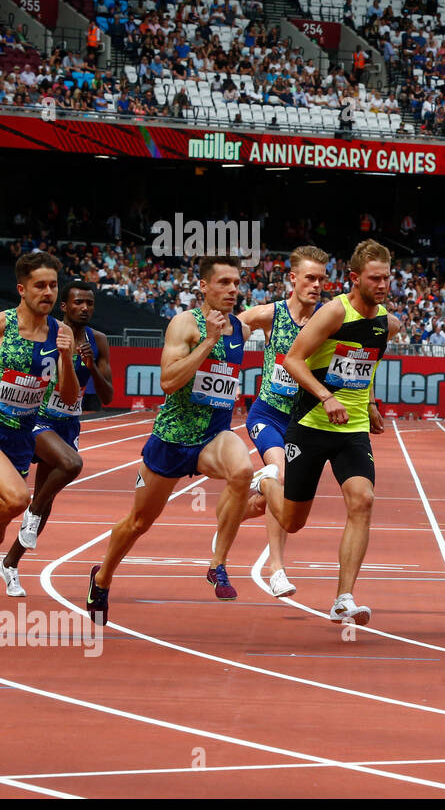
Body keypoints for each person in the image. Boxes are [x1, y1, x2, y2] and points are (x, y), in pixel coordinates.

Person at [87, 256, 257, 623]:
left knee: (243, 470)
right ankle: (101, 578)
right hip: (172, 439)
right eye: (224, 282)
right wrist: (209, 341)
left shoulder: (241, 329)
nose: (232, 290)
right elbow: (168, 381)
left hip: (214, 435)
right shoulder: (185, 325)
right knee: (138, 522)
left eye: (236, 283)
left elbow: (283, 313)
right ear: (204, 287)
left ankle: (218, 564)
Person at [252, 239, 400, 626]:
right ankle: (268, 481)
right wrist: (324, 396)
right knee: (292, 522)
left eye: (387, 277)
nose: (383, 285)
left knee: (362, 500)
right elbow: (293, 359)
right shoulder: (334, 313)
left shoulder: (386, 321)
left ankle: (343, 599)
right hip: (310, 427)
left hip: (352, 430)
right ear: (354, 278)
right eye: (375, 278)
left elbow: (364, 366)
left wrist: (368, 404)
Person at [1, 280, 113, 597]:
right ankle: (31, 515)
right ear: (64, 306)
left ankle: (10, 564)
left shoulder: (98, 340)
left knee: (45, 499)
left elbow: (108, 395)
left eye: (89, 303)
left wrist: (91, 364)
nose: (84, 308)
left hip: (67, 424)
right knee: (70, 464)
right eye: (78, 302)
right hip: (36, 418)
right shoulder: (49, 332)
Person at [235, 245, 328, 599]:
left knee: (268, 501)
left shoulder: (327, 319)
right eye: (310, 278)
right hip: (268, 415)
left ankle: (230, 516)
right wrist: (235, 341)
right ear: (293, 279)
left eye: (321, 279)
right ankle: (277, 571)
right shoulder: (271, 314)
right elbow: (237, 324)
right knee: (283, 478)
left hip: (302, 423)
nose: (316, 285)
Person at [0, 255, 82, 599]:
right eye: (40, 286)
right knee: (19, 499)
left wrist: (66, 356)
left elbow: (69, 395)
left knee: (3, 517)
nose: (48, 292)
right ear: (22, 289)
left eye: (53, 285)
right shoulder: (3, 325)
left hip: (22, 433)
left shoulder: (61, 334)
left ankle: (8, 561)